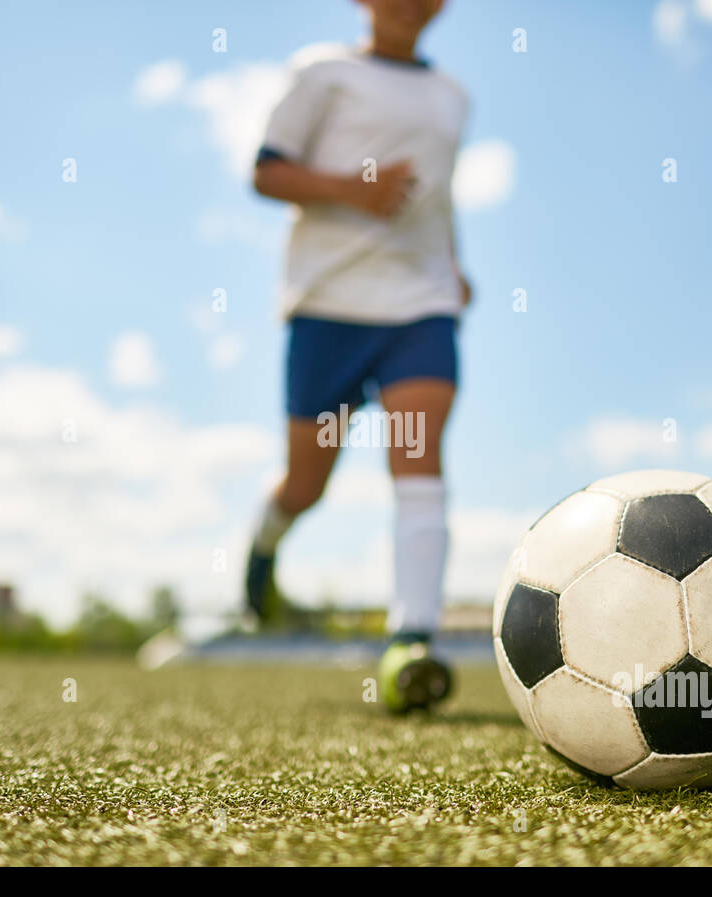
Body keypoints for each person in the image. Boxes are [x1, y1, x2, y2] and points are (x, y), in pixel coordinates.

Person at [245, 0, 470, 713]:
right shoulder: (323, 71)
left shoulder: (454, 97)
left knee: (419, 456)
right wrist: (351, 188)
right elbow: (267, 173)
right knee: (307, 484)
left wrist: (455, 267)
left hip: (420, 307)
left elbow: (438, 198)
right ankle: (263, 548)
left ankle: (413, 638)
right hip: (327, 307)